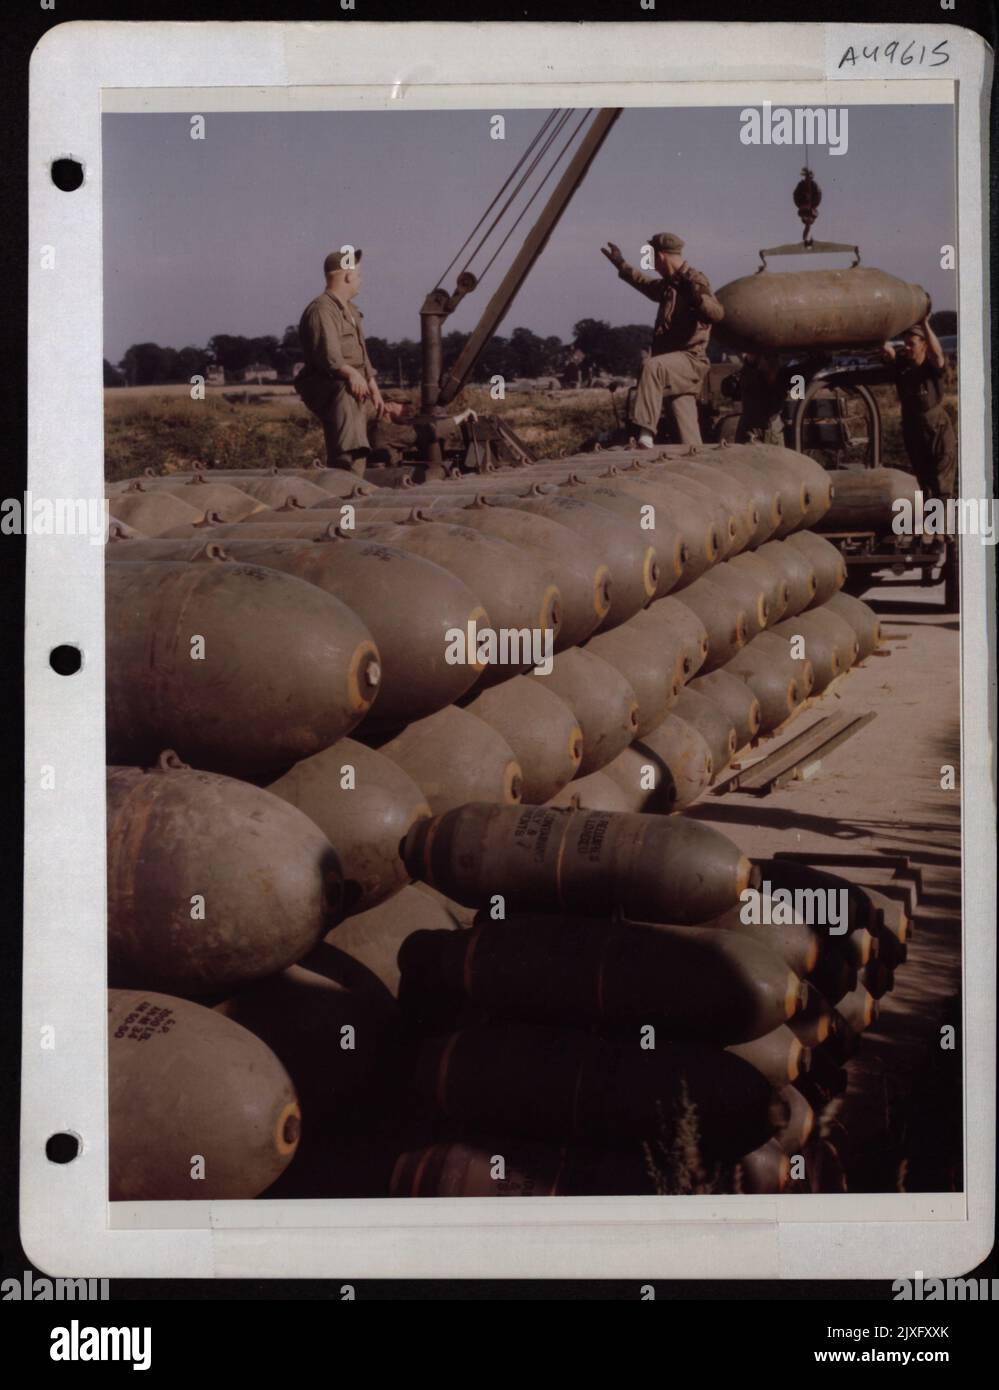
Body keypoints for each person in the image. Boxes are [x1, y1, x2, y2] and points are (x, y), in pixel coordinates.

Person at [601, 231, 724, 446]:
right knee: (689, 440)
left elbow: (716, 314)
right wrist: (621, 264)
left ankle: (645, 433)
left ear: (661, 256)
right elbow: (645, 284)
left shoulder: (694, 281)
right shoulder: (670, 285)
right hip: (674, 367)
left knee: (651, 367)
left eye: (651, 258)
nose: (652, 264)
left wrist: (696, 298)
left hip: (690, 360)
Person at [294, 248, 387, 474]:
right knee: (347, 393)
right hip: (324, 382)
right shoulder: (322, 309)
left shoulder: (351, 311)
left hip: (350, 382)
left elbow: (361, 354)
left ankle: (360, 463)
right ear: (347, 275)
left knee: (386, 406)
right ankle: (345, 458)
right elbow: (329, 356)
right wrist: (353, 374)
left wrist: (373, 386)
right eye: (358, 274)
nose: (360, 280)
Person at [881, 318, 957, 500]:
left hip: (935, 428)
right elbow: (887, 350)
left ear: (924, 345)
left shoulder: (932, 367)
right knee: (923, 480)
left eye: (911, 344)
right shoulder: (902, 366)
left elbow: (938, 353)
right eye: (905, 343)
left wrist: (925, 323)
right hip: (913, 427)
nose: (907, 347)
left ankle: (939, 525)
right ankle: (931, 524)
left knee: (941, 482)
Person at [736, 351, 793, 446]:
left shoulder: (782, 378)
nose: (773, 362)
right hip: (753, 431)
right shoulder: (750, 377)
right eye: (767, 358)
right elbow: (750, 365)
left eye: (775, 358)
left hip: (774, 430)